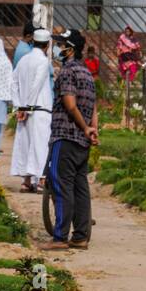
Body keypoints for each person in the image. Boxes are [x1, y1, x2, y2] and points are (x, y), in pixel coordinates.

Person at [44, 29, 98, 251]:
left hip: (65, 135)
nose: (57, 48)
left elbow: (69, 103)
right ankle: (81, 236)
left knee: (61, 185)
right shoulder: (86, 73)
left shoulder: (67, 72)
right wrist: (93, 129)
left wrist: (85, 127)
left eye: (61, 45)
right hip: (82, 141)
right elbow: (93, 106)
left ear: (70, 49)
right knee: (80, 187)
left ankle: (60, 237)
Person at [11, 27, 53, 194]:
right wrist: (26, 107)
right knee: (40, 145)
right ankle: (41, 180)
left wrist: (19, 105)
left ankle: (26, 181)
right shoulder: (43, 62)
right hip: (39, 108)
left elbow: (13, 83)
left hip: (25, 108)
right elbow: (36, 85)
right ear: (47, 45)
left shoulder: (23, 60)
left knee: (26, 144)